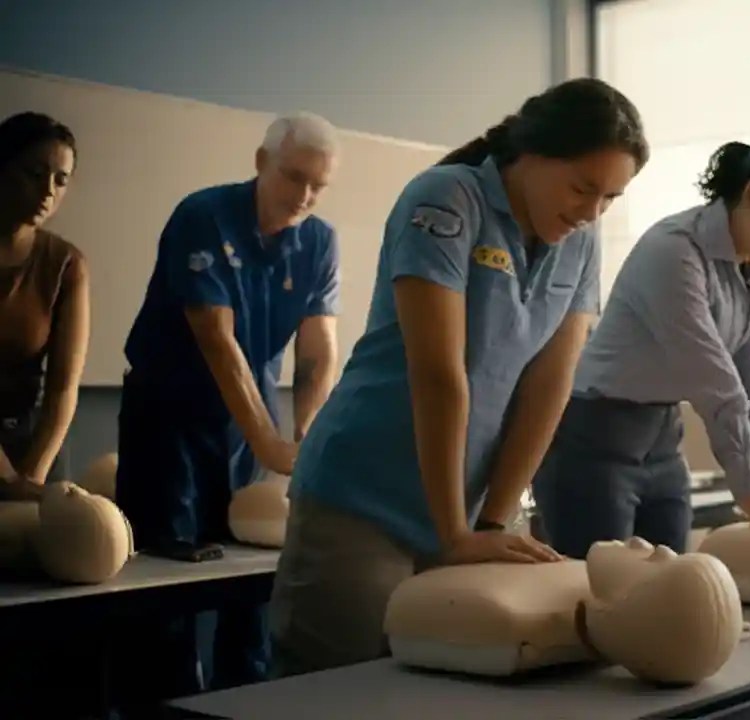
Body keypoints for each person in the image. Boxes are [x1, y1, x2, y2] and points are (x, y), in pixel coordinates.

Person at [268, 77, 648, 678]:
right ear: (531, 153)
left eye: (610, 199)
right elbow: (439, 373)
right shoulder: (447, 199)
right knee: (338, 693)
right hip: (362, 499)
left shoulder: (580, 244)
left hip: (470, 510)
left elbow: (549, 383)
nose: (590, 212)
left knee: (455, 694)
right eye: (582, 188)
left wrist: (491, 523)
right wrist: (454, 533)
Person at [114, 112, 342, 696]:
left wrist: (304, 438)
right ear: (262, 163)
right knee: (166, 585)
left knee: (251, 578)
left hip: (251, 415)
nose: (305, 196)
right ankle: (159, 699)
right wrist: (271, 443)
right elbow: (218, 341)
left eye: (319, 185)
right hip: (171, 415)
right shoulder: (204, 216)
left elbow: (317, 353)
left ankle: (247, 699)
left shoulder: (318, 240)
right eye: (295, 178)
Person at [533, 136, 750, 560]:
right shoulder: (673, 250)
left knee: (674, 587)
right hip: (594, 437)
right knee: (602, 591)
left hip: (664, 436)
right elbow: (714, 381)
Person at [0, 112, 88, 503]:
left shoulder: (66, 263)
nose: (48, 190)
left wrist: (30, 480)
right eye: (34, 174)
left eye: (61, 180)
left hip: (32, 442)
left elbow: (63, 387)